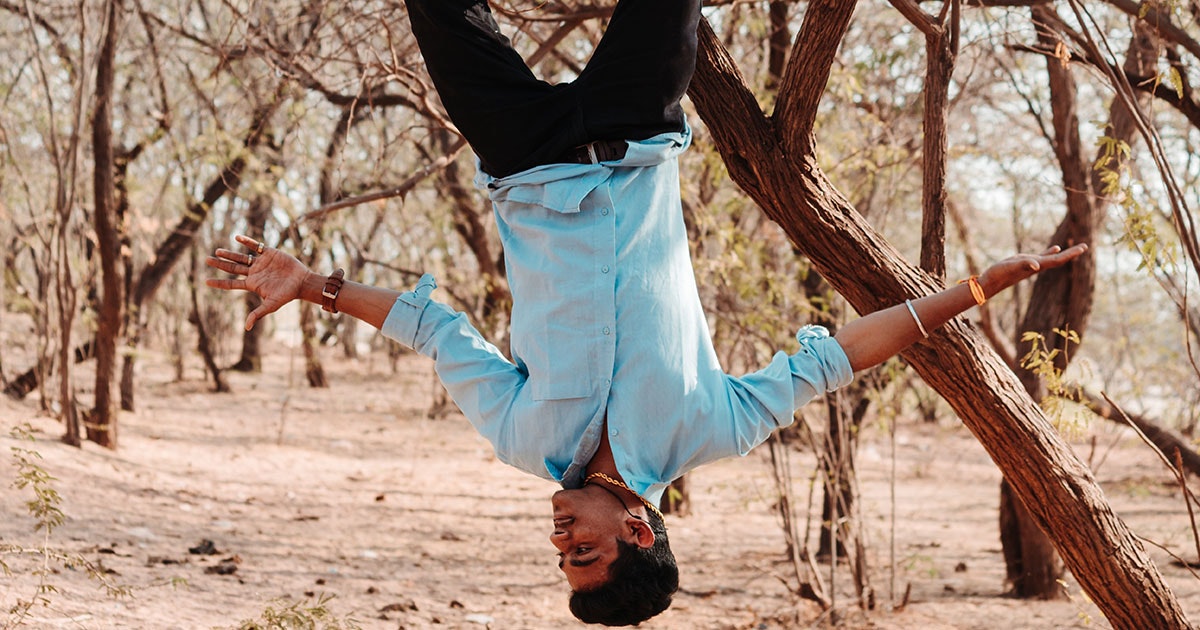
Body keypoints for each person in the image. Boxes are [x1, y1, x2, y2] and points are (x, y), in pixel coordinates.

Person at [207, 0, 1090, 625]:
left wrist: (314, 284)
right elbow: (845, 355)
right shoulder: (710, 428)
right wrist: (978, 289)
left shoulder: (520, 437)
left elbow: (436, 331)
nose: (560, 538)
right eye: (582, 553)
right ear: (637, 531)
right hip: (636, 135)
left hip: (521, 158)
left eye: (562, 557)